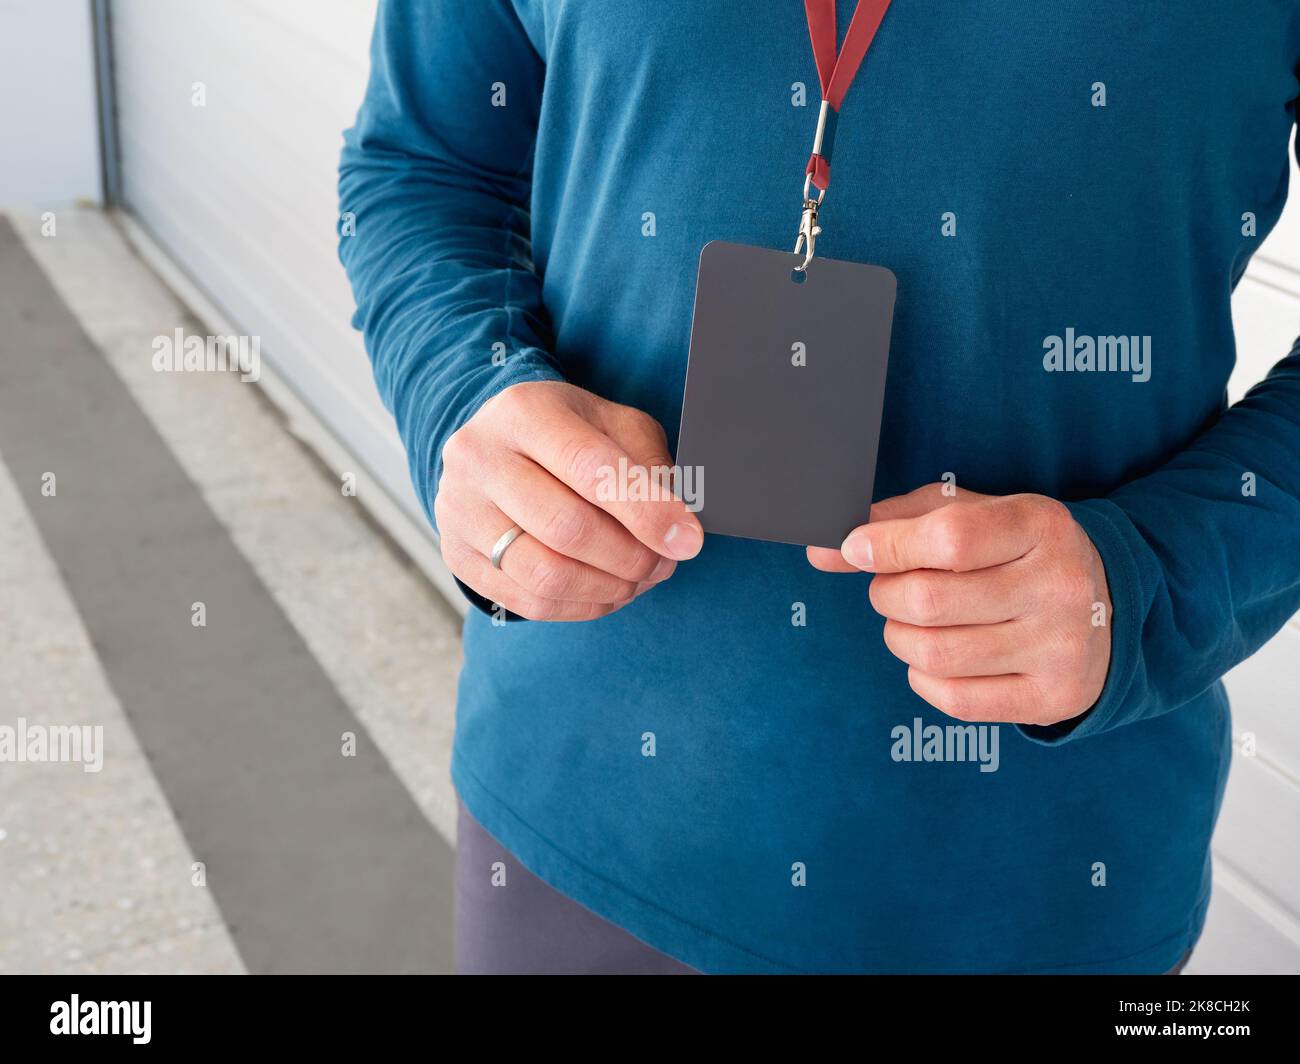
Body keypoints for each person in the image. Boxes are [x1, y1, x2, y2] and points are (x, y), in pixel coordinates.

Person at [339, 0, 1300, 974]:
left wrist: (1154, 581)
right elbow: (423, 162)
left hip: (1037, 889)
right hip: (569, 829)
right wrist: (466, 387)